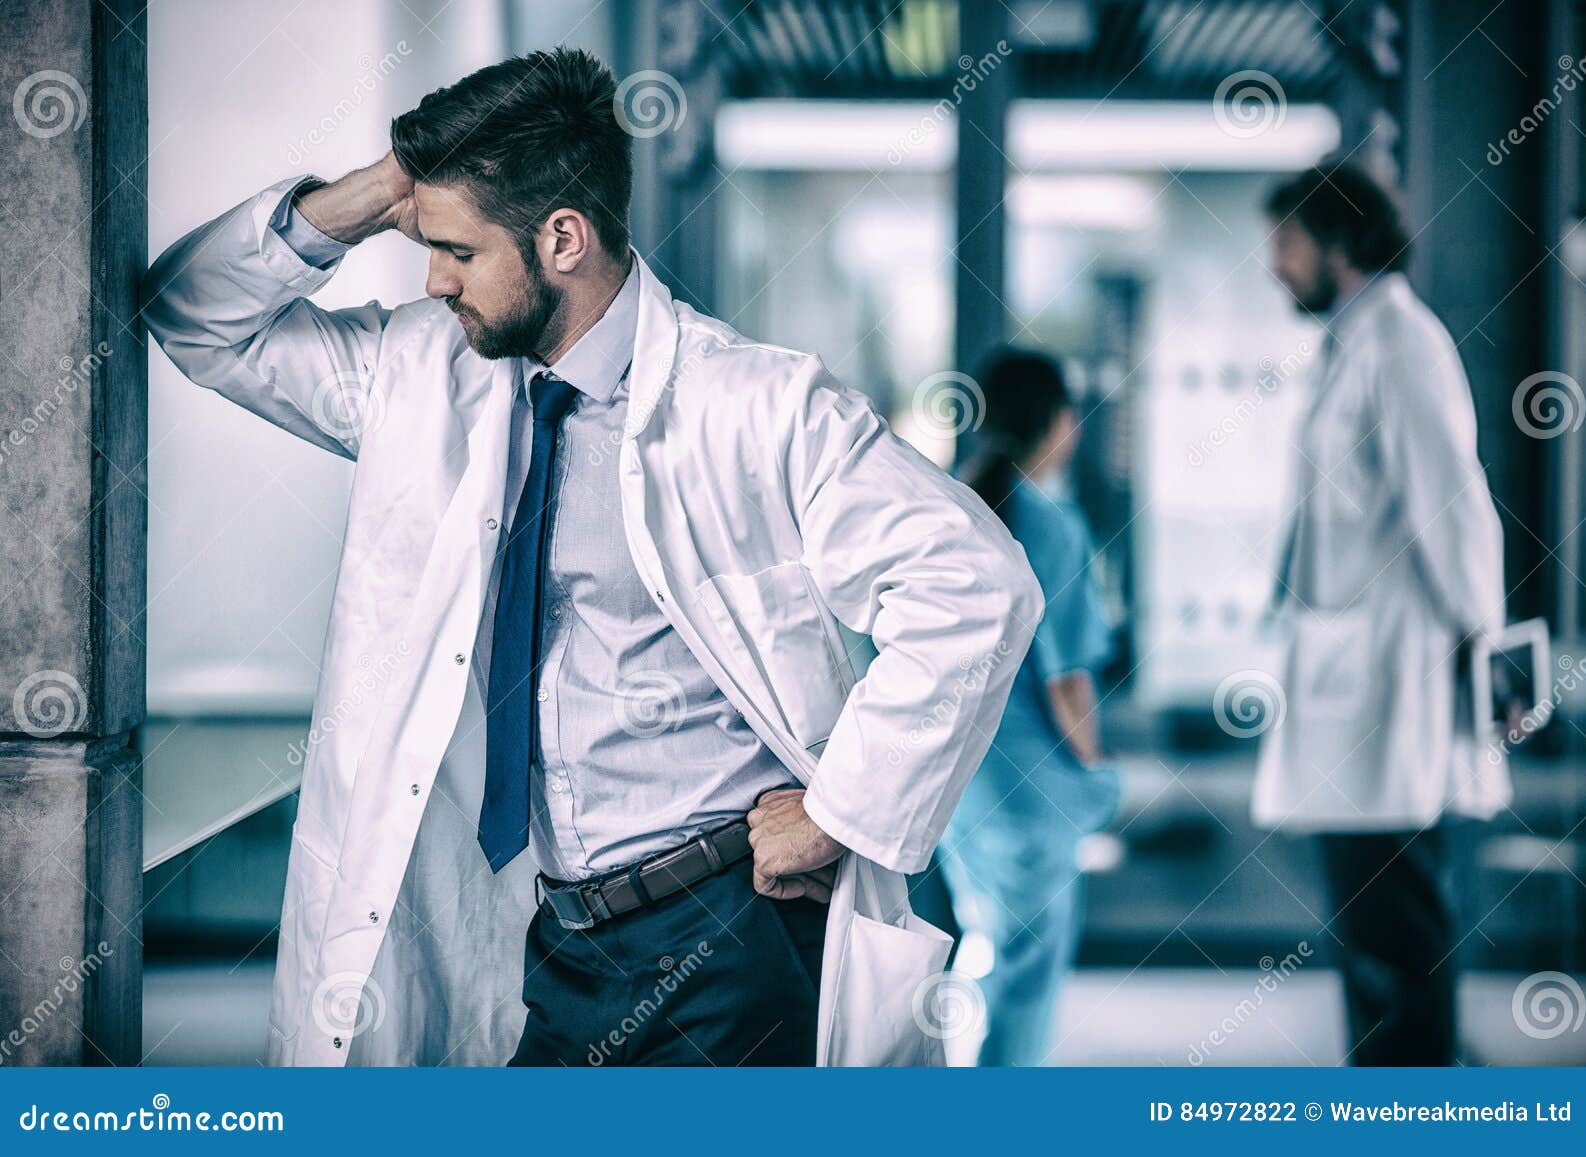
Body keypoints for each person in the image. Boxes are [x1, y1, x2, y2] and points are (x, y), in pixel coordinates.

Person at [141, 48, 1043, 1067]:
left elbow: (975, 583)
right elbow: (194, 315)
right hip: (554, 935)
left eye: (457, 250)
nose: (433, 279)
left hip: (722, 930)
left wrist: (841, 810)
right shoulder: (424, 372)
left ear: (562, 237)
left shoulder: (759, 404)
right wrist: (387, 184)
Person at [1256, 159, 1508, 1066]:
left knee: (1398, 935)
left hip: (1391, 693)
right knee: (1372, 932)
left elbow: (1453, 507)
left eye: (1285, 240)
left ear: (1340, 238)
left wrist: (1490, 655)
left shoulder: (1402, 342)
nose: (1273, 263)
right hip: (1352, 692)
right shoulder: (1355, 342)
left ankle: (1416, 1110)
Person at [940, 347, 1121, 1067]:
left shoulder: (946, 509)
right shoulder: (1053, 526)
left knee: (984, 950)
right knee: (1024, 977)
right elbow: (1069, 683)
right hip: (1034, 788)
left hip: (959, 786)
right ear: (1059, 424)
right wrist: (1100, 774)